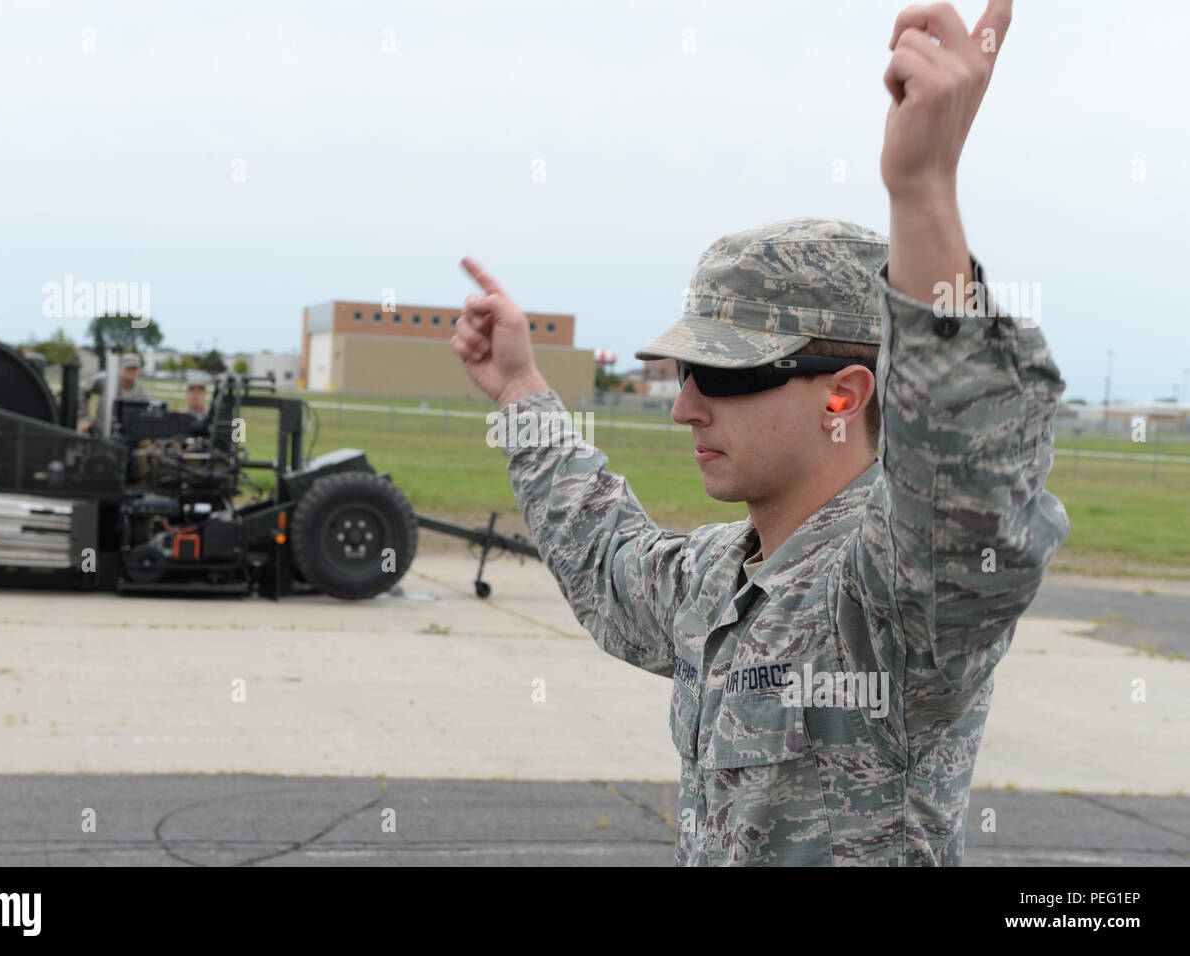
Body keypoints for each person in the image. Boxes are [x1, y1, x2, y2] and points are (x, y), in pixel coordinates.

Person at [452, 0, 1068, 865]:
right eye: (681, 372)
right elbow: (603, 557)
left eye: (729, 375)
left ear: (846, 394)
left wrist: (925, 195)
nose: (684, 406)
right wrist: (520, 389)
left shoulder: (892, 596)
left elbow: (971, 487)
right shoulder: (720, 578)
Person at [78, 352, 151, 435]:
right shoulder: (106, 380)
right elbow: (81, 390)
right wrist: (84, 418)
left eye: (134, 368)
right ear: (120, 368)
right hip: (99, 434)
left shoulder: (142, 395)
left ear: (139, 370)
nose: (131, 371)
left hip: (126, 440)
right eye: (127, 367)